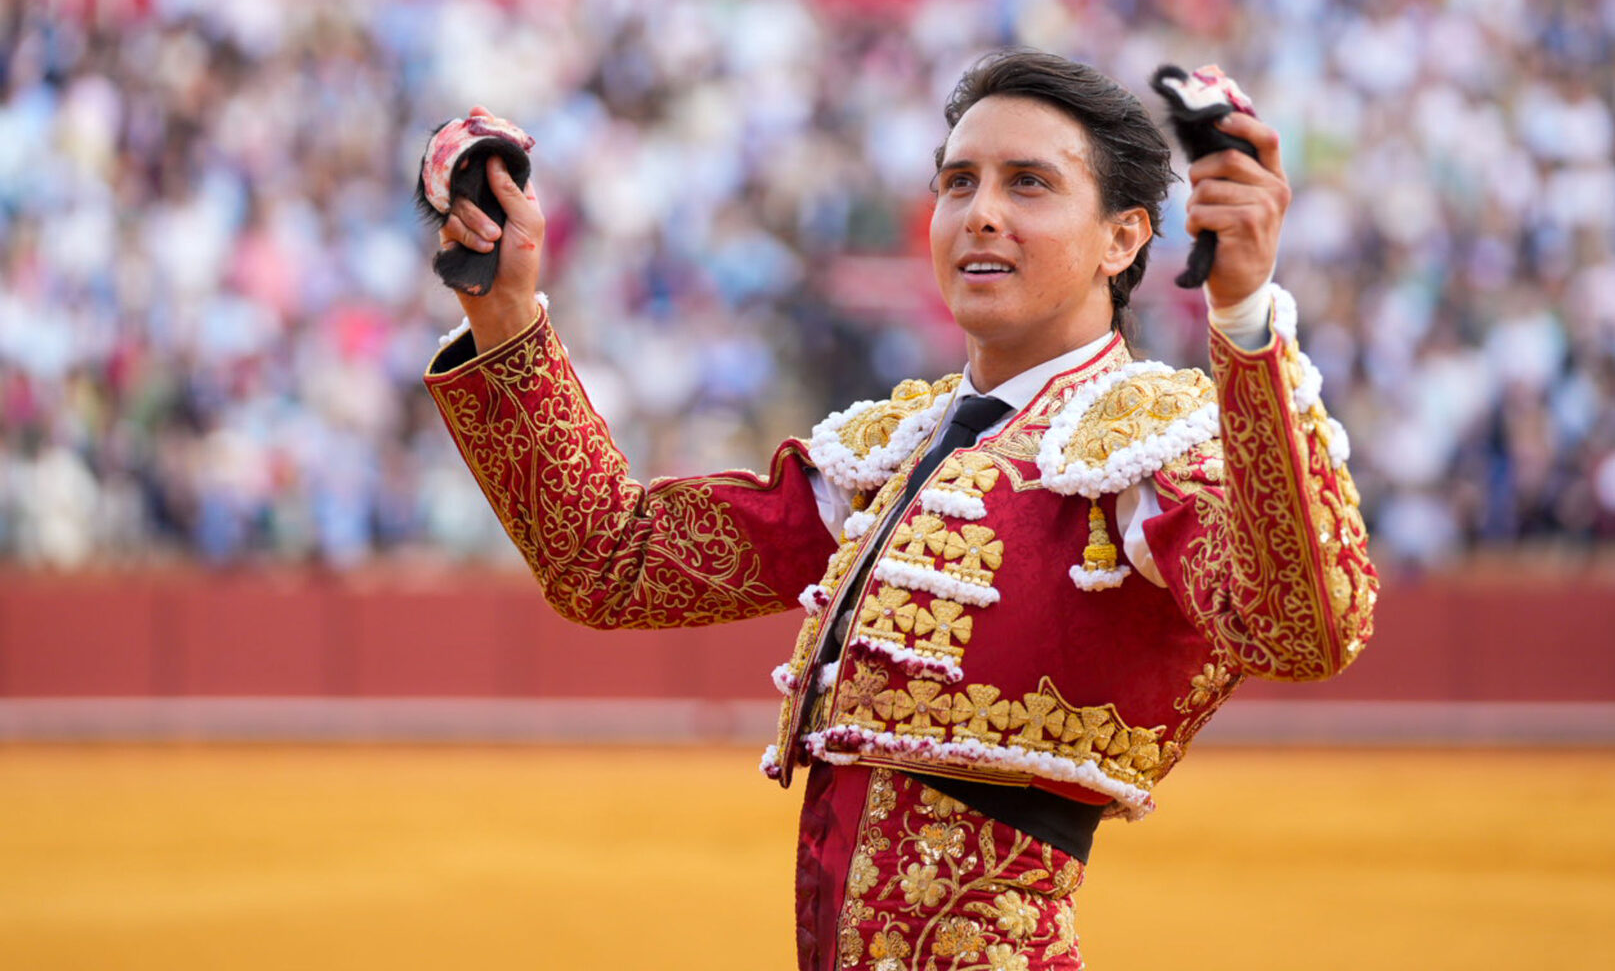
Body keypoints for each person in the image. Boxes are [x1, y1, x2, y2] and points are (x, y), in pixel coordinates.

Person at [423, 49, 1377, 970]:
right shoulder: (896, 449)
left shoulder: (1149, 443)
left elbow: (1303, 628)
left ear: (1123, 238)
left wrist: (1245, 318)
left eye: (1028, 184)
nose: (980, 214)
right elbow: (614, 563)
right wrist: (505, 310)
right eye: (958, 182)